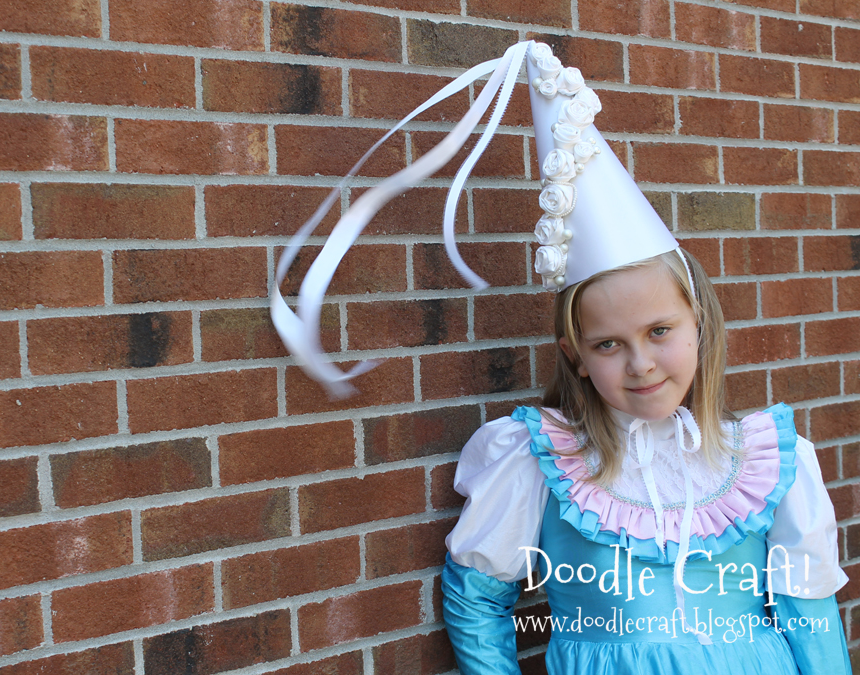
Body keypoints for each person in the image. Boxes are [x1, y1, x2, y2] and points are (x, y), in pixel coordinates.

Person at [269, 40, 851, 673]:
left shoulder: (770, 464)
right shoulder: (539, 463)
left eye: (660, 331)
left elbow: (810, 616)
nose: (641, 363)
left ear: (700, 327)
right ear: (575, 357)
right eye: (609, 345)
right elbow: (477, 600)